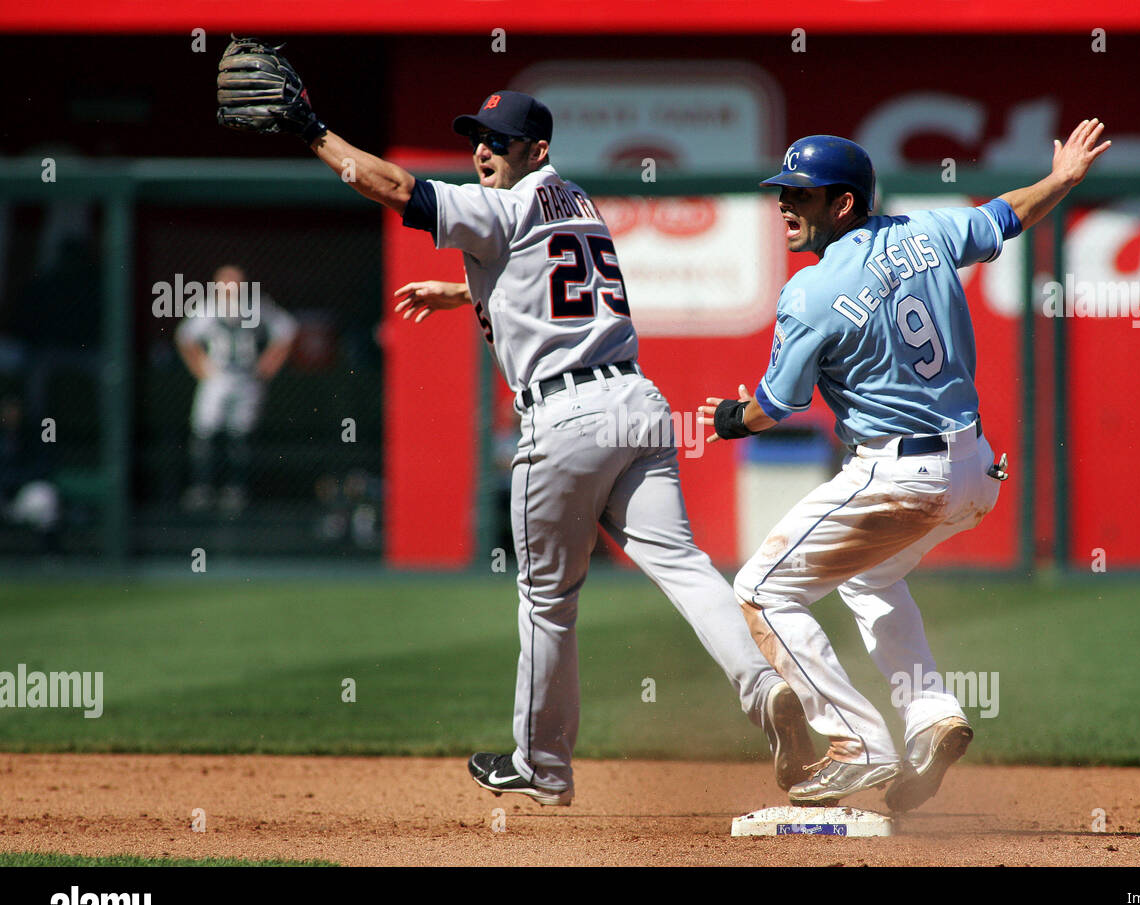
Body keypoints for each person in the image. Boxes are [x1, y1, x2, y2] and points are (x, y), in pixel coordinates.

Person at [214, 44, 817, 807]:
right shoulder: (580, 205)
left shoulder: (502, 205)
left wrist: (311, 127)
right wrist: (470, 294)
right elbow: (547, 285)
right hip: (636, 403)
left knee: (546, 600)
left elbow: (392, 185)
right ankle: (765, 691)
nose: (482, 150)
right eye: (477, 137)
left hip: (565, 419)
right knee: (688, 568)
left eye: (499, 141)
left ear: (537, 150)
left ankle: (542, 766)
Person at [700, 121, 1111, 810]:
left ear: (845, 204)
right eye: (783, 192)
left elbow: (775, 406)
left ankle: (854, 744)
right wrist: (1064, 180)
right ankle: (931, 717)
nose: (784, 205)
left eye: (802, 194)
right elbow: (1006, 217)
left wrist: (730, 419)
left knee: (761, 589)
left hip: (898, 474)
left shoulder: (809, 294)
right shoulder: (926, 233)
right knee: (869, 579)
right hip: (974, 470)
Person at [175, 264, 297, 514]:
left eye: (236, 282)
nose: (231, 288)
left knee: (241, 434)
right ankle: (202, 487)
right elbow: (185, 337)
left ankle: (236, 489)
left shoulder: (257, 305)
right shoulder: (208, 308)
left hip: (246, 377)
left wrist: (268, 364)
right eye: (226, 282)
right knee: (204, 430)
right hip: (217, 377)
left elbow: (287, 331)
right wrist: (200, 368)